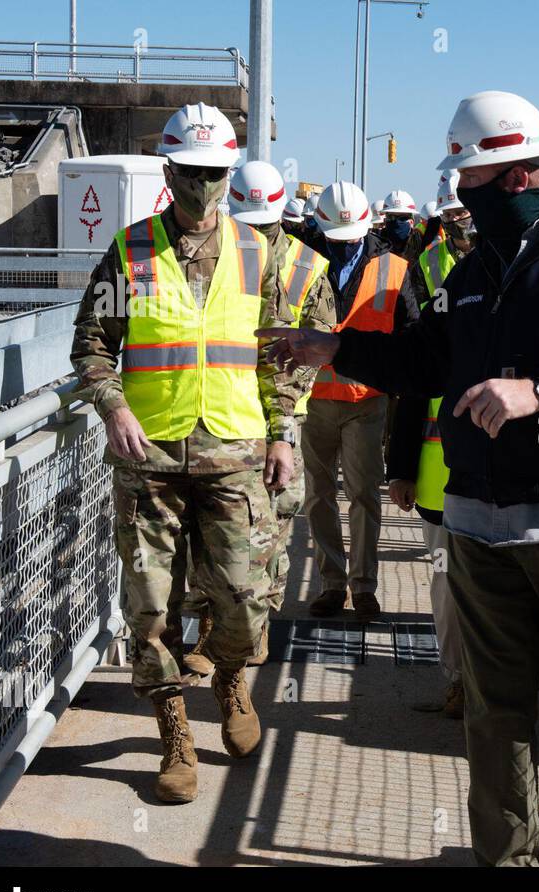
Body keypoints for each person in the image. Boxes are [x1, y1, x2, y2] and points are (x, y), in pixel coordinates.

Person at [258, 90, 539, 866]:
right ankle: (510, 857)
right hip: (480, 527)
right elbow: (423, 359)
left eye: (469, 179)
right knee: (494, 716)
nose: (460, 196)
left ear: (515, 176)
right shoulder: (477, 266)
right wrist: (333, 349)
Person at [71, 102, 298, 804]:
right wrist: (113, 407)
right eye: (192, 174)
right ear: (170, 171)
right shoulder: (130, 249)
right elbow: (92, 342)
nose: (204, 188)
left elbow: (279, 355)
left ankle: (230, 677)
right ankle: (175, 734)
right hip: (151, 462)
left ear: (230, 175)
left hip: (234, 453)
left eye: (216, 175)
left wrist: (284, 431)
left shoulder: (259, 254)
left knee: (245, 597)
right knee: (150, 604)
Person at [183, 160, 337, 677]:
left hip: (277, 421)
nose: (257, 234)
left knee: (269, 530)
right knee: (215, 536)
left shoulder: (308, 268)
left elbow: (312, 356)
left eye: (265, 226)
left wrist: (283, 427)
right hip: (221, 422)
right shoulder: (216, 253)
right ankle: (213, 632)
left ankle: (258, 628)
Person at [302, 180, 417, 619]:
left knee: (365, 494)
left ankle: (364, 586)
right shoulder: (306, 261)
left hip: (367, 399)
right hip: (315, 399)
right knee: (318, 495)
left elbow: (410, 335)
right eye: (337, 239)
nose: (344, 247)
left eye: (350, 240)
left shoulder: (394, 268)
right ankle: (332, 585)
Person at [387, 169, 475, 717]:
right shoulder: (425, 271)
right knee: (446, 586)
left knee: (501, 592)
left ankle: (500, 688)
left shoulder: (534, 264)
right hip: (441, 470)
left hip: (512, 475)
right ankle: (459, 680)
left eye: (468, 216)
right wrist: (400, 466)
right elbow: (413, 376)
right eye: (456, 218)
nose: (464, 227)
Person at [377, 189, 417, 257]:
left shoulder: (420, 246)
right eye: (391, 217)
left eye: (402, 218)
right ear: (385, 220)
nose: (396, 221)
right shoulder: (375, 247)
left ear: (411, 222)